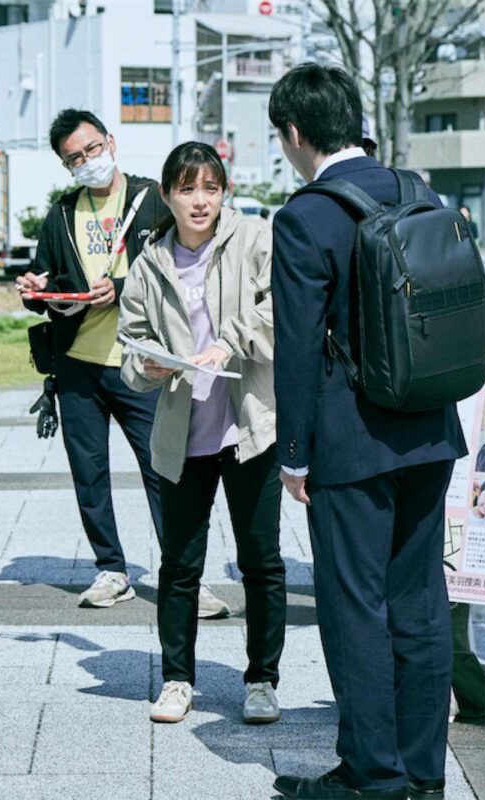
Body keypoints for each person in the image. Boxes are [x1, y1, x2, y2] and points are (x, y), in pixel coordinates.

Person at [267, 63, 466, 800]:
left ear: (294, 132)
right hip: (432, 428)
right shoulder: (421, 192)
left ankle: (371, 777)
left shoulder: (305, 217)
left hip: (352, 445)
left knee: (355, 607)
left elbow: (295, 348)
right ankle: (424, 773)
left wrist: (293, 455)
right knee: (419, 602)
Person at [13, 108, 230, 617]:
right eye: (74, 159)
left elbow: (189, 268)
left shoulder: (154, 199)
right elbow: (47, 275)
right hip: (77, 363)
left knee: (164, 472)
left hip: (142, 362)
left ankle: (184, 576)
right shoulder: (63, 213)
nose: (86, 162)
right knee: (88, 472)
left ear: (110, 142)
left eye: (91, 149)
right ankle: (111, 569)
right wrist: (35, 289)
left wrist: (124, 289)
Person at [118, 142, 286, 726]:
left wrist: (227, 340)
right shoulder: (148, 263)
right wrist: (150, 365)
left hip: (248, 427)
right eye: (187, 189)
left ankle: (262, 680)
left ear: (224, 192)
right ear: (167, 195)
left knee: (260, 560)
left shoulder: (255, 239)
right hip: (183, 434)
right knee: (180, 563)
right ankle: (176, 679)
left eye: (211, 189)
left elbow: (280, 310)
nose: (200, 201)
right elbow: (129, 350)